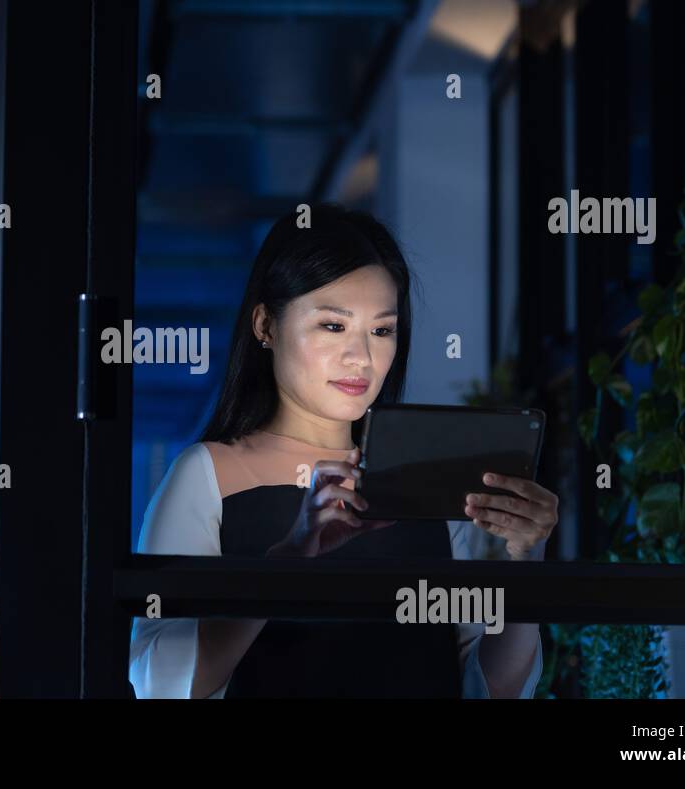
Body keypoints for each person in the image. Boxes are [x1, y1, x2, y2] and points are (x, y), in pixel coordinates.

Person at [129, 203, 559, 699]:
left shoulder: (423, 483)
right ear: (266, 325)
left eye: (381, 330)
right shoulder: (206, 475)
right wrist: (282, 567)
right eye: (333, 326)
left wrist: (527, 560)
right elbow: (158, 684)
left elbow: (487, 689)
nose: (361, 356)